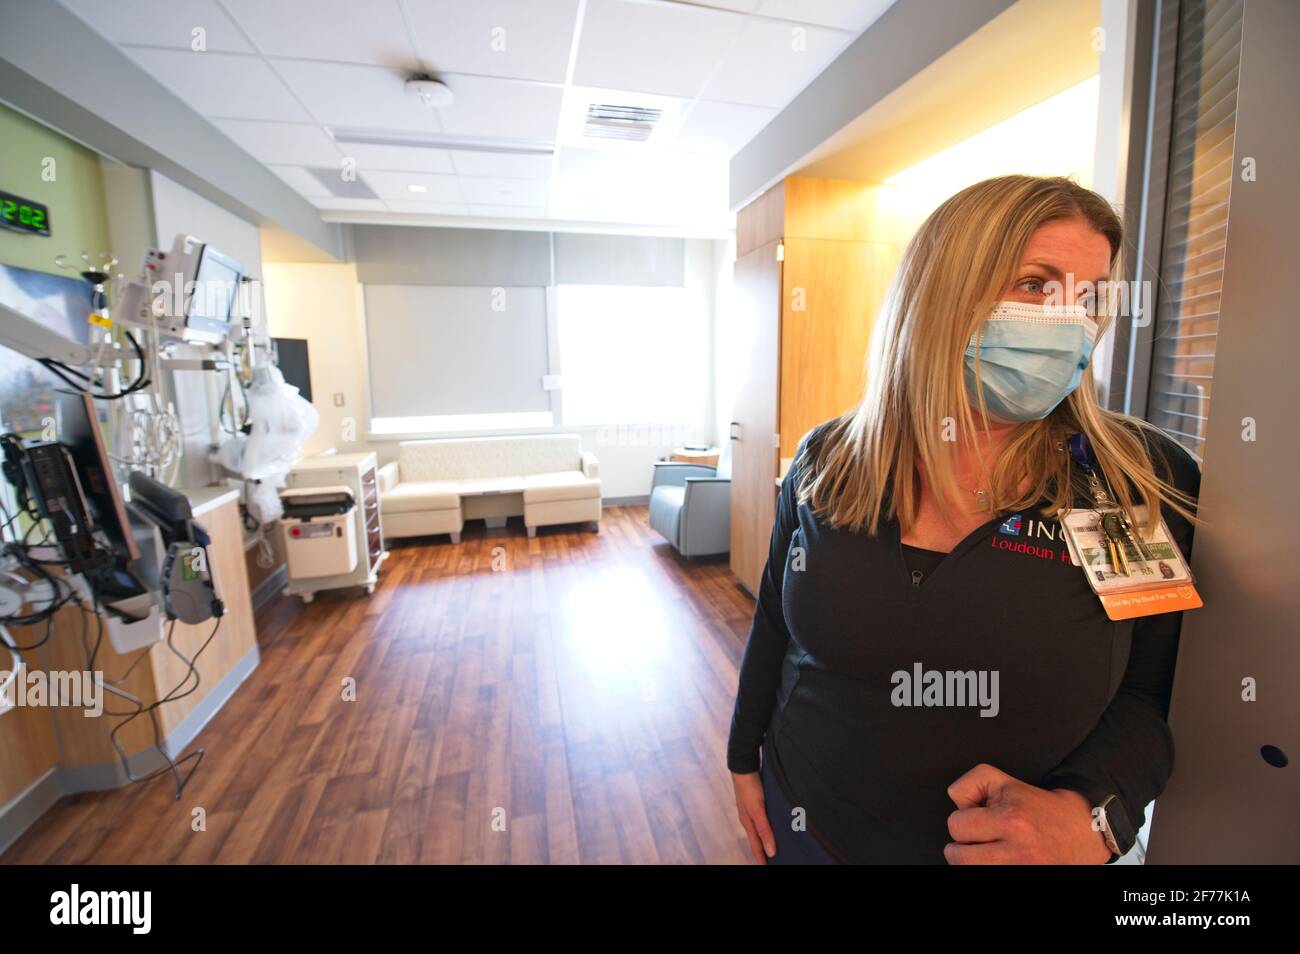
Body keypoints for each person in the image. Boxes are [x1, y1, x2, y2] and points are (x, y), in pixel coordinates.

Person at [727, 175, 1200, 865]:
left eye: (1090, 296)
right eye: (1037, 284)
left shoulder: (1114, 485)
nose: (1071, 321)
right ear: (942, 292)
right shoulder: (831, 458)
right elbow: (775, 620)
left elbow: (1150, 695)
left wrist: (1091, 815)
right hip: (806, 825)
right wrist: (745, 757)